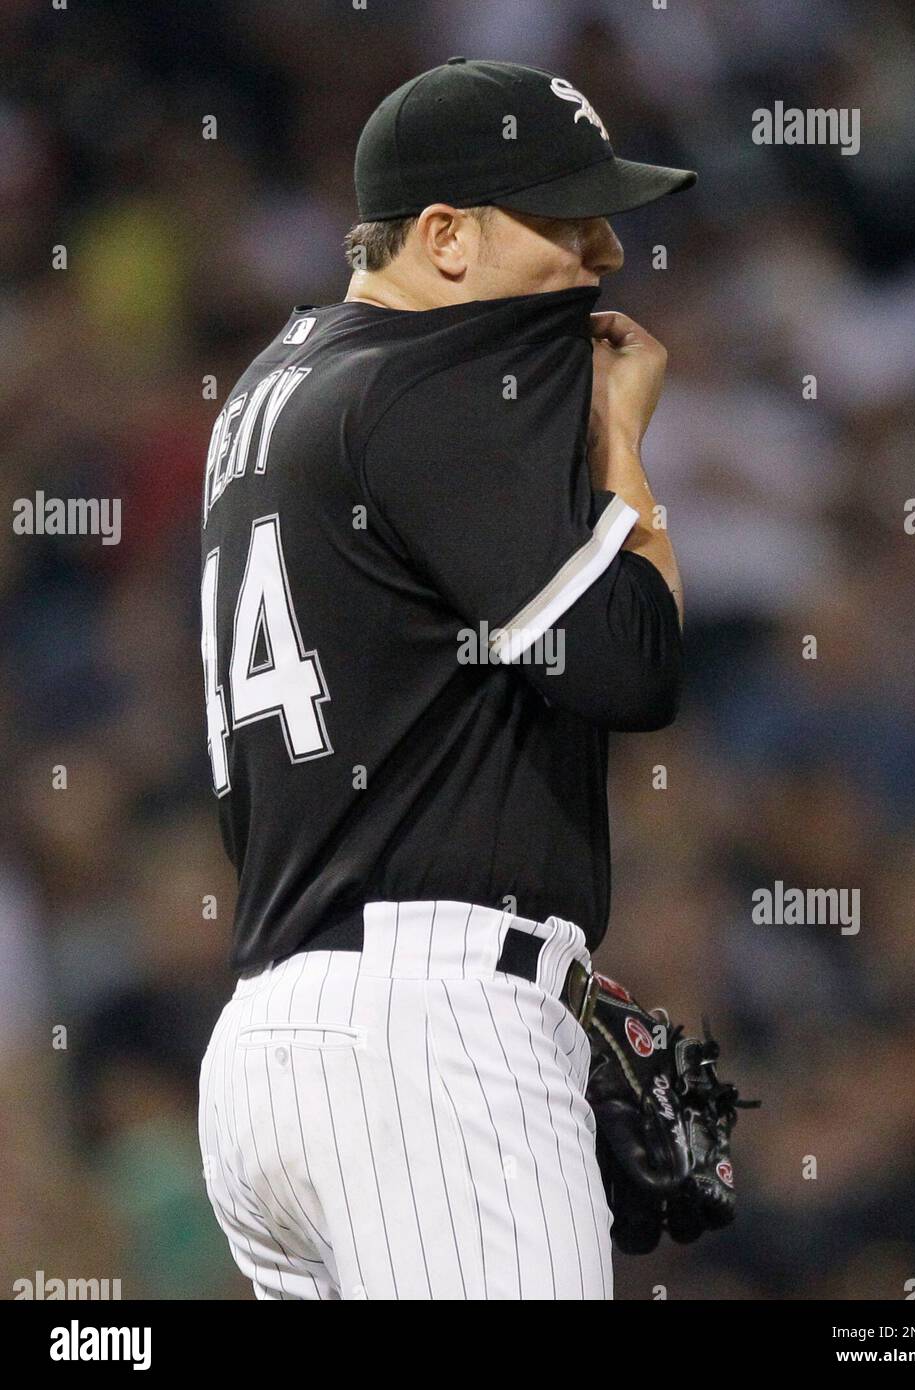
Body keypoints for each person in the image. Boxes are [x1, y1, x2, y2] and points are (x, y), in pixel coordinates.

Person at [198, 57, 694, 1300]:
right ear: (445, 238)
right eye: (567, 220)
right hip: (427, 1047)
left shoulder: (275, 382)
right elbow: (633, 662)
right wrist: (621, 445)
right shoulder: (435, 387)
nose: (605, 253)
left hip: (276, 1039)